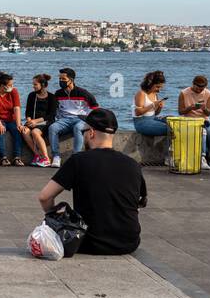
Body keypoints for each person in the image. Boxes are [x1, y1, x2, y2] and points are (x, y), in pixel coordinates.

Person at [37, 108, 147, 255]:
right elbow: (138, 205)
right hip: (128, 243)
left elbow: (45, 197)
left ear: (92, 133)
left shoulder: (78, 161)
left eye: (83, 131)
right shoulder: (133, 164)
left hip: (89, 243)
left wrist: (54, 216)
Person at [47, 68, 98, 165]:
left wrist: (90, 121)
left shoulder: (83, 93)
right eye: (60, 79)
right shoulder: (58, 94)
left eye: (63, 79)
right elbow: (55, 109)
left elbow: (95, 107)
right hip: (64, 120)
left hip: (80, 119)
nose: (61, 81)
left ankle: (76, 156)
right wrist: (58, 118)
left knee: (77, 128)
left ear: (71, 80)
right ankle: (56, 157)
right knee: (52, 128)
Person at [177, 75, 210, 171]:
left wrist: (204, 108)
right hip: (189, 121)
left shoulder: (208, 93)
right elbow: (180, 112)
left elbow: (209, 113)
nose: (199, 91)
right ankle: (202, 159)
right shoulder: (184, 93)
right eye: (197, 88)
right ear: (193, 85)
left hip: (203, 120)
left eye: (202, 89)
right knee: (203, 132)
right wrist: (191, 108)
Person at [0, 72, 25, 165]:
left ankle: (17, 157)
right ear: (2, 86)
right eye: (10, 85)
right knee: (0, 131)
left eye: (12, 84)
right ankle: (3, 158)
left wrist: (18, 124)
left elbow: (17, 108)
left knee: (18, 131)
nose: (12, 86)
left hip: (11, 119)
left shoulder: (13, 91)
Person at [21, 73, 55, 167]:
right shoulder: (32, 95)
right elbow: (28, 111)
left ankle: (46, 158)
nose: (33, 86)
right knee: (25, 131)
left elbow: (51, 115)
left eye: (35, 84)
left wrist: (35, 121)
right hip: (32, 122)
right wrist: (29, 120)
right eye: (33, 84)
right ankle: (37, 155)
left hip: (45, 122)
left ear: (43, 85)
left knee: (35, 132)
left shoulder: (52, 97)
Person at [132, 71, 169, 138]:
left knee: (174, 123)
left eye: (161, 87)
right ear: (150, 84)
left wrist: (160, 107)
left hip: (152, 119)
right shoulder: (141, 94)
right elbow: (137, 112)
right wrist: (152, 105)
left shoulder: (155, 94)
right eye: (157, 87)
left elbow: (155, 113)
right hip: (141, 123)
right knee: (169, 129)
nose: (159, 90)